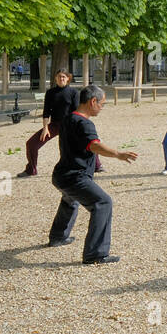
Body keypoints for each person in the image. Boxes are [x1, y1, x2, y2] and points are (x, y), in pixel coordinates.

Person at [46, 85, 138, 265]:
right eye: (102, 104)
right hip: (74, 177)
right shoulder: (85, 123)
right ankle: (95, 254)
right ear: (92, 101)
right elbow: (94, 145)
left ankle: (58, 236)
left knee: (70, 200)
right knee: (103, 203)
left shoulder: (68, 118)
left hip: (61, 175)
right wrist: (118, 154)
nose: (102, 108)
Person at [20, 70, 103, 177]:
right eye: (59, 77)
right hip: (54, 125)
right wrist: (45, 128)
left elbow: (77, 111)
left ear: (68, 78)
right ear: (55, 78)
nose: (61, 79)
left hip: (70, 124)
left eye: (64, 77)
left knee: (88, 140)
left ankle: (97, 165)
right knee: (31, 144)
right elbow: (46, 112)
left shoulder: (74, 93)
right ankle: (31, 169)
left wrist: (79, 127)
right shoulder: (50, 93)